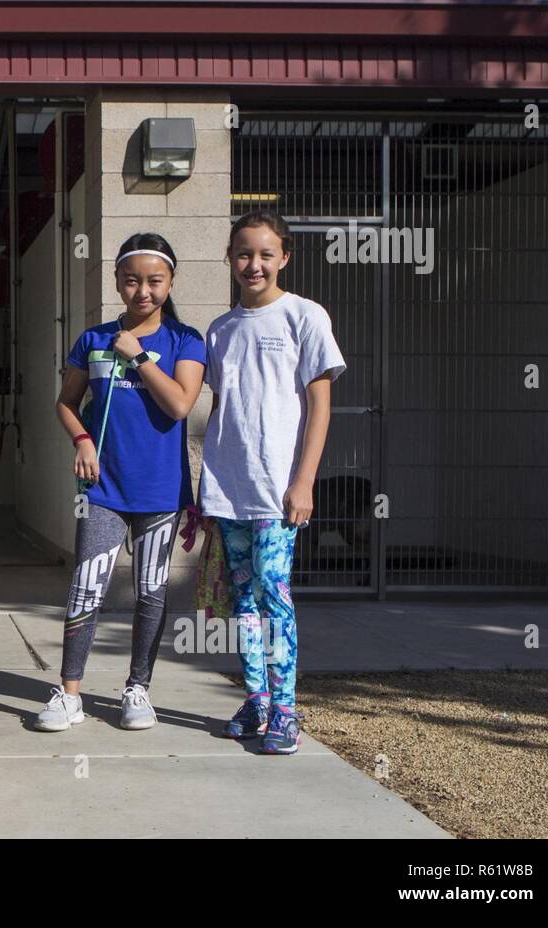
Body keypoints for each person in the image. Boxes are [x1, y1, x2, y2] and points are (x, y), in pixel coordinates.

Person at [36, 233, 206, 732]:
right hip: (104, 490)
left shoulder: (185, 340)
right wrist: (83, 441)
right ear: (116, 281)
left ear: (170, 281)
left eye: (155, 281)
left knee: (150, 590)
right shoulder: (92, 340)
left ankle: (138, 689)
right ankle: (69, 695)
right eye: (132, 281)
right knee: (86, 586)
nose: (143, 292)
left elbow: (179, 405)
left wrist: (138, 356)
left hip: (160, 490)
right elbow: (66, 403)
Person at [198, 211, 346, 755]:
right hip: (227, 488)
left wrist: (304, 482)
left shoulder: (305, 317)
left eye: (265, 254)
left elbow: (321, 407)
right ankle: (257, 700)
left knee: (274, 595)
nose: (253, 264)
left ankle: (286, 709)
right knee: (242, 600)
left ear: (283, 257)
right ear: (230, 257)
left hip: (278, 492)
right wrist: (204, 489)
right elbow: (221, 409)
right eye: (243, 253)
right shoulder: (220, 329)